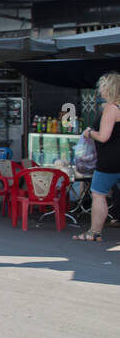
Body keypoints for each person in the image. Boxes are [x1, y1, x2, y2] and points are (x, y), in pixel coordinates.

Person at [73, 71, 120, 243]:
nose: (100, 91)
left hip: (110, 160)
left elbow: (104, 136)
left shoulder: (112, 108)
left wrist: (89, 132)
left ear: (108, 89)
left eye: (102, 87)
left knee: (98, 194)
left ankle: (94, 233)